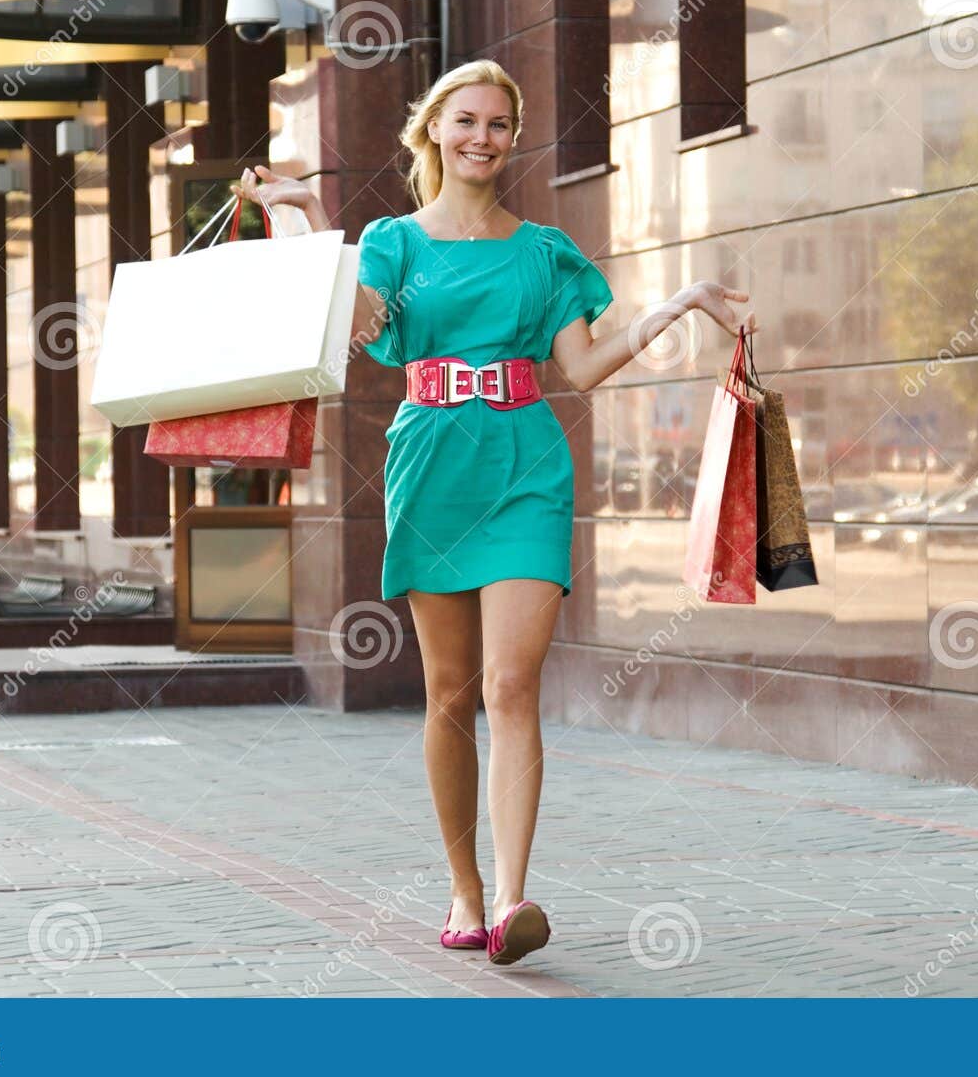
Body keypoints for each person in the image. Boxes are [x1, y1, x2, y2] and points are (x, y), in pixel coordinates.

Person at [239, 59, 753, 967]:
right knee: (448, 693)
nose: (483, 138)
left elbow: (583, 366)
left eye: (500, 125)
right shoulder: (395, 241)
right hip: (433, 460)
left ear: (513, 138)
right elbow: (361, 329)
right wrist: (313, 219)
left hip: (526, 463)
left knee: (511, 686)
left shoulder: (545, 251)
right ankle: (465, 887)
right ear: (434, 129)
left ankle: (515, 896)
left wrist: (669, 307)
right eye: (466, 120)